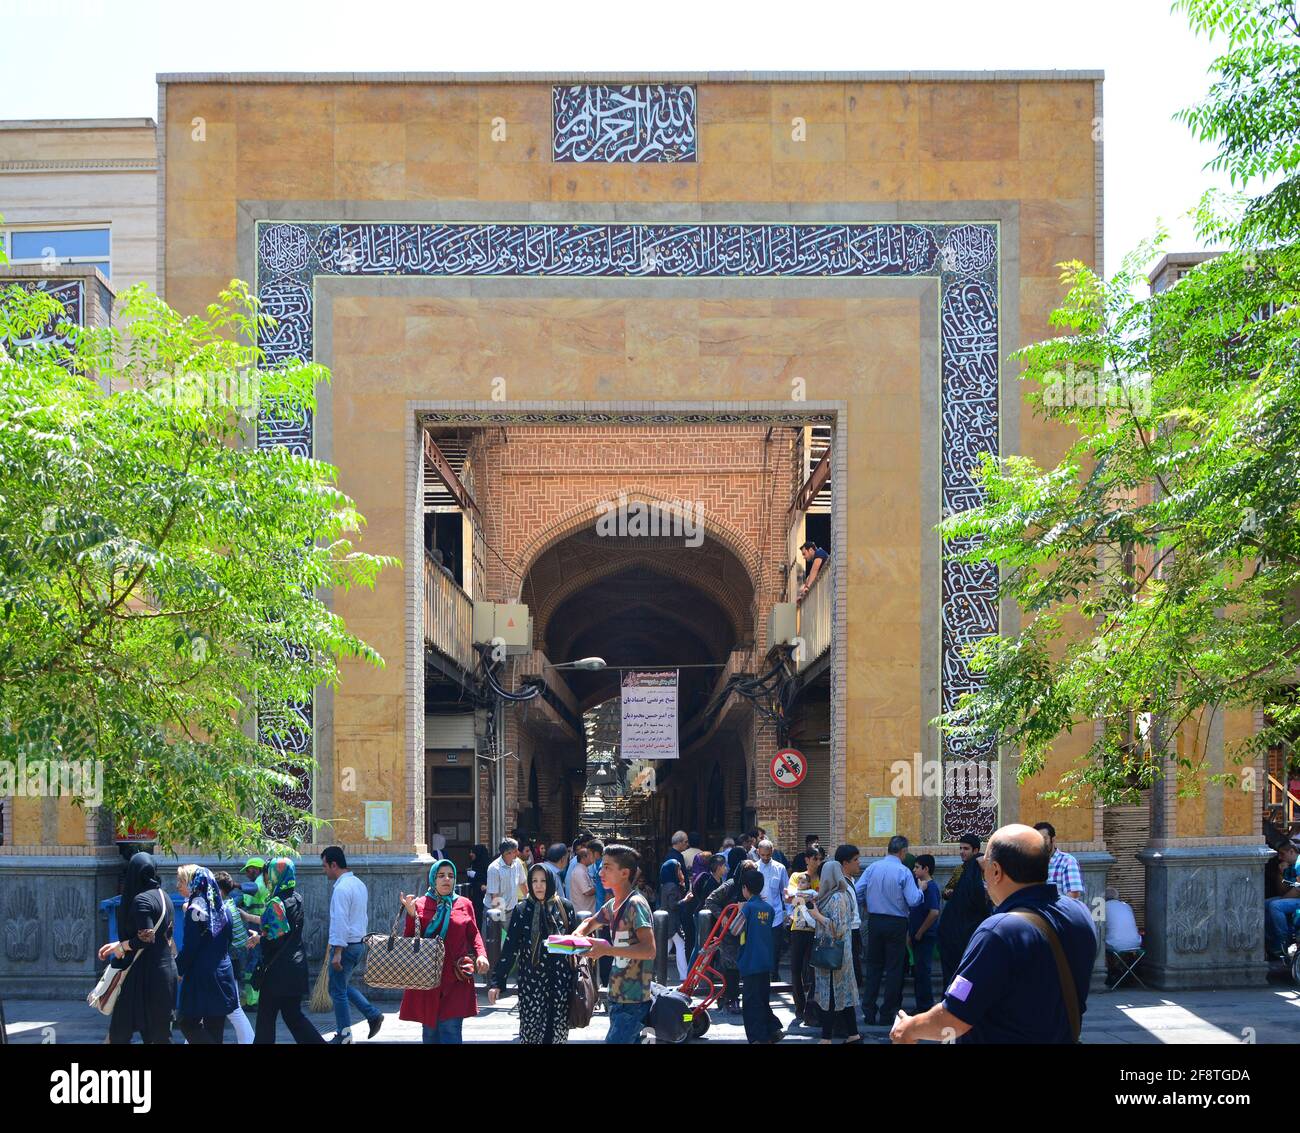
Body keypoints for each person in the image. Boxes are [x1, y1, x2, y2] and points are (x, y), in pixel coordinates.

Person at [891, 823, 1096, 1045]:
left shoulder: (998, 931)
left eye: (984, 866)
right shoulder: (1080, 914)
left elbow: (955, 1016)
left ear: (996, 871)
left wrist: (909, 1029)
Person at [575, 844, 658, 1044]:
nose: (600, 872)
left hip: (634, 1000)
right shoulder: (614, 905)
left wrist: (606, 949)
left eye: (607, 868)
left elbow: (649, 950)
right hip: (617, 997)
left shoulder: (635, 904)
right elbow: (590, 922)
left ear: (624, 873)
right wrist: (574, 939)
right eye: (601, 867)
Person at [399, 859, 489, 1044]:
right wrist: (410, 914)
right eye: (441, 876)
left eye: (451, 875)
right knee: (430, 1034)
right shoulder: (420, 904)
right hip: (427, 981)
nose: (446, 879)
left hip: (456, 978)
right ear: (433, 878)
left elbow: (474, 934)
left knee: (451, 1031)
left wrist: (481, 954)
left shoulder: (464, 904)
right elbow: (409, 941)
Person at [489, 862, 578, 1044]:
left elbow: (575, 943)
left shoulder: (565, 907)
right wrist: (497, 981)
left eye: (543, 881)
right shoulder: (522, 910)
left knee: (557, 1034)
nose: (538, 885)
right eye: (534, 881)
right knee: (531, 1034)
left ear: (551, 882)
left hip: (560, 981)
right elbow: (510, 947)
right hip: (532, 982)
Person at [100, 852, 176, 1045]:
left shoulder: (141, 900)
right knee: (158, 1036)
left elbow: (147, 936)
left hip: (141, 975)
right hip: (164, 974)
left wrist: (122, 945)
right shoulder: (164, 896)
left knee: (119, 1032)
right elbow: (166, 936)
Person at [251, 858, 326, 1044]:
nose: (266, 877)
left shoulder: (276, 903)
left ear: (277, 874)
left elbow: (274, 940)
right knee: (294, 1017)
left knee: (265, 1020)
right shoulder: (296, 898)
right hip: (296, 967)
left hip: (277, 972)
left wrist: (258, 939)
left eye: (268, 873)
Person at [856, 835, 926, 1026]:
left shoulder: (872, 868)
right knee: (894, 969)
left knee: (874, 967)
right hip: (896, 923)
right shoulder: (903, 872)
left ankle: (869, 1011)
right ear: (903, 851)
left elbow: (857, 890)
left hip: (875, 921)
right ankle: (887, 1013)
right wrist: (921, 890)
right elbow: (913, 900)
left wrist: (866, 905)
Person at [321, 845, 384, 1044]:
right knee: (340, 985)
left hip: (346, 946)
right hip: (358, 944)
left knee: (337, 990)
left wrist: (337, 951)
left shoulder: (341, 888)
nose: (324, 870)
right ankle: (372, 1015)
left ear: (334, 864)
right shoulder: (358, 884)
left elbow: (341, 921)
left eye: (325, 866)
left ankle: (345, 1035)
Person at [174, 865, 241, 1044]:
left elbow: (190, 946)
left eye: (181, 881)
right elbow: (227, 939)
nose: (177, 885)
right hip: (223, 973)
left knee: (187, 1022)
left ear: (193, 883)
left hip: (202, 977)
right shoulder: (222, 908)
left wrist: (178, 968)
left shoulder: (196, 909)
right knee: (214, 1028)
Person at [807, 859, 860, 1044]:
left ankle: (826, 1038)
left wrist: (816, 915)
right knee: (842, 995)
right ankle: (853, 1035)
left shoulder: (838, 897)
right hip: (839, 954)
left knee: (830, 995)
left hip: (834, 955)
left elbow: (836, 928)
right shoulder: (836, 895)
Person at [735, 869, 784, 1044]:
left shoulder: (748, 907)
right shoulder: (769, 909)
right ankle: (772, 1029)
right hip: (765, 960)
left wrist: (740, 911)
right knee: (762, 999)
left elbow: (735, 929)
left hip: (750, 961)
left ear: (745, 888)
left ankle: (759, 1037)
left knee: (751, 1003)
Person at [706, 858, 760, 1014]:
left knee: (742, 966)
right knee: (731, 966)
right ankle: (732, 999)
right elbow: (710, 900)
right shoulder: (730, 885)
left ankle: (726, 996)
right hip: (729, 932)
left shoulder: (754, 887)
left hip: (746, 930)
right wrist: (722, 916)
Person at [938, 834, 991, 991]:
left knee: (967, 970)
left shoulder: (981, 867)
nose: (962, 852)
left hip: (970, 930)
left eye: (966, 849)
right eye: (960, 848)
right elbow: (947, 891)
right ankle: (953, 1004)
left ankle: (960, 1003)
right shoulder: (960, 870)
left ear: (975, 850)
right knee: (955, 971)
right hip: (954, 930)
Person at [213, 871, 256, 1043]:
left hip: (232, 957)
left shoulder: (223, 906)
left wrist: (233, 885)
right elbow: (252, 888)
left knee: (234, 1006)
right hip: (238, 955)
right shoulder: (234, 900)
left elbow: (254, 888)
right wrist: (234, 886)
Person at [786, 844, 824, 1027]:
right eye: (815, 858)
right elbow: (790, 897)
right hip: (798, 928)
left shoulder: (822, 878)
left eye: (820, 858)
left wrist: (802, 896)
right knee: (795, 969)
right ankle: (799, 1006)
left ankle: (810, 1007)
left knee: (814, 970)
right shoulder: (797, 876)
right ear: (807, 859)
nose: (817, 862)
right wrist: (809, 896)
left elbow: (822, 899)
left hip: (817, 929)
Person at [234, 855, 269, 1007]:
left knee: (253, 961)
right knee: (254, 960)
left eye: (248, 871)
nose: (247, 874)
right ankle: (255, 998)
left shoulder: (260, 882)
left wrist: (235, 885)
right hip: (257, 925)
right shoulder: (260, 881)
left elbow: (254, 889)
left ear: (255, 869)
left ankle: (254, 1000)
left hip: (258, 926)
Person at [681, 853, 728, 964]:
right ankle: (690, 974)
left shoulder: (719, 881)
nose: (726, 868)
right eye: (724, 866)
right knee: (699, 946)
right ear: (718, 867)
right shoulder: (709, 881)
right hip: (702, 917)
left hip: (708, 917)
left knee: (704, 946)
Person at [909, 854, 941, 1013]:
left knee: (922, 972)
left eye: (916, 867)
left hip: (925, 937)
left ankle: (925, 1006)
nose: (914, 870)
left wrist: (920, 932)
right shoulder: (921, 886)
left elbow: (934, 912)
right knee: (918, 971)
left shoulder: (931, 887)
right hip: (917, 936)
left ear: (926, 869)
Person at [754, 838, 790, 980]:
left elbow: (785, 891)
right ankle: (762, 972)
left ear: (772, 852)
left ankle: (774, 972)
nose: (765, 858)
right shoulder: (754, 867)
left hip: (776, 914)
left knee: (775, 947)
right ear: (758, 852)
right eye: (762, 855)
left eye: (768, 855)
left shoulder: (780, 868)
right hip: (758, 914)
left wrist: (788, 911)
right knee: (761, 945)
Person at [485, 838, 528, 943]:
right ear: (506, 853)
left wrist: (529, 901)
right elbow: (494, 897)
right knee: (494, 945)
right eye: (514, 852)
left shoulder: (517, 863)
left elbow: (522, 884)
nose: (517, 854)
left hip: (511, 910)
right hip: (495, 911)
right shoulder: (494, 868)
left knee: (511, 943)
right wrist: (499, 920)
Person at [833, 844, 863, 990]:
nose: (859, 862)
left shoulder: (851, 880)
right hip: (847, 932)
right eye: (856, 859)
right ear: (845, 863)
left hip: (854, 930)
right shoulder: (840, 884)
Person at [658, 846, 689, 981]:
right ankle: (684, 976)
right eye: (678, 869)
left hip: (668, 922)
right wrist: (685, 899)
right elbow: (673, 905)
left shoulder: (666, 885)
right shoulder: (672, 886)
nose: (680, 872)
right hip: (673, 922)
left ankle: (657, 974)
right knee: (681, 947)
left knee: (666, 948)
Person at [1034, 821, 1085, 902]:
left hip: (1059, 913)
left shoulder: (1067, 861)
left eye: (1044, 838)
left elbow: (1073, 896)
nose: (1041, 843)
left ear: (1053, 840)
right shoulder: (1032, 863)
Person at [1265, 841, 1300, 958]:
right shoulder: (1289, 867)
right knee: (1264, 905)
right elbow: (1282, 891)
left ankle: (1283, 941)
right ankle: (1271, 940)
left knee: (1275, 906)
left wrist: (1281, 900)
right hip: (1294, 898)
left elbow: (1297, 889)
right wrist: (1281, 874)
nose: (1280, 858)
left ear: (1291, 851)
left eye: (1282, 854)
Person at [1103, 886, 1143, 984]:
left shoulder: (1102, 907)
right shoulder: (1126, 906)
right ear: (1117, 897)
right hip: (1136, 944)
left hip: (1115, 945)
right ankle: (1126, 973)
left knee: (1101, 943)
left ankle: (1110, 973)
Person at [466, 843, 492, 927]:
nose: (471, 854)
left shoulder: (488, 865)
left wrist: (476, 875)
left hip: (483, 895)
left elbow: (487, 877)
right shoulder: (474, 863)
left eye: (473, 852)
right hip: (475, 894)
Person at [568, 840, 597, 914]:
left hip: (586, 910)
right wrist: (600, 887)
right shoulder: (579, 872)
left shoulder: (583, 869)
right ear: (584, 858)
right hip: (583, 912)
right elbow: (587, 892)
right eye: (590, 855)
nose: (592, 857)